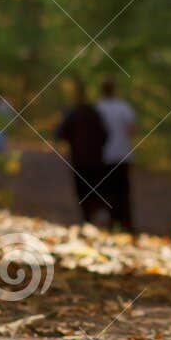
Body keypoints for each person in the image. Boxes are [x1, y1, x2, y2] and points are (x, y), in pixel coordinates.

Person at [54, 79, 108, 226]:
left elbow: (60, 133)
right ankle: (93, 214)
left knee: (82, 187)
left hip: (79, 158)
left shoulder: (73, 113)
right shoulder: (94, 113)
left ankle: (88, 217)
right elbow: (105, 134)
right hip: (96, 157)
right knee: (94, 184)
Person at [94, 77, 137, 233]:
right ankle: (126, 224)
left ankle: (112, 224)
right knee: (123, 191)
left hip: (104, 156)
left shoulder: (97, 107)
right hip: (123, 154)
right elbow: (132, 129)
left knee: (107, 190)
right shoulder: (123, 107)